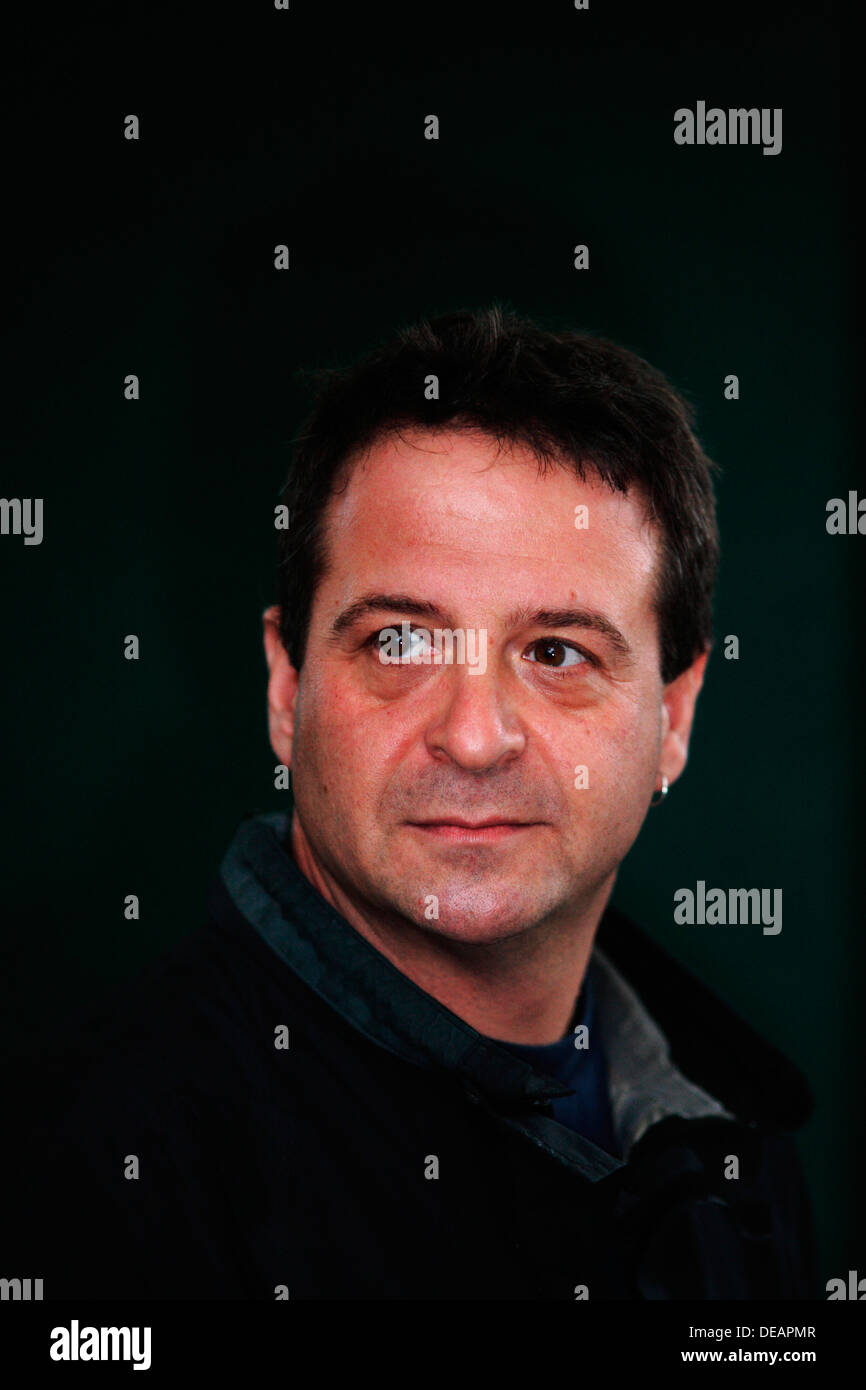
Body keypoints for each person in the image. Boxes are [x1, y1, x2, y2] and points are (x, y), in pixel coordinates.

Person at [2, 306, 816, 1300]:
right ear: (284, 688)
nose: (473, 737)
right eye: (398, 641)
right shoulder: (78, 1182)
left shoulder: (733, 1154)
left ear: (672, 717)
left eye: (556, 652)